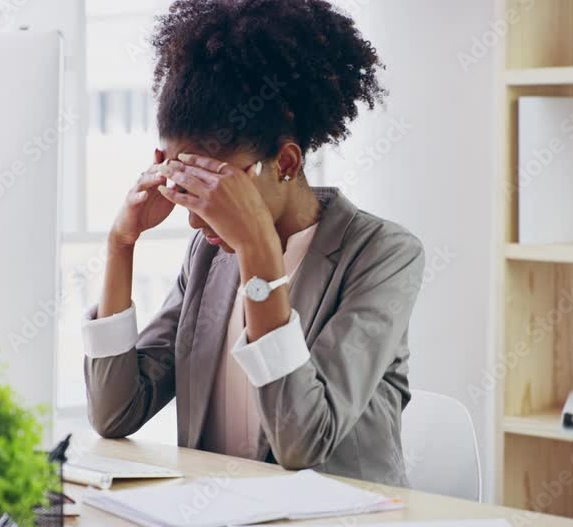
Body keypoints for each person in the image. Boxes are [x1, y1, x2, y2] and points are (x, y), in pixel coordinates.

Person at [83, 0, 424, 486]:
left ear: (285, 163)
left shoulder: (382, 254)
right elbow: (116, 413)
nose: (199, 216)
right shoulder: (208, 255)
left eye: (217, 185)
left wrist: (260, 253)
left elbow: (304, 441)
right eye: (185, 183)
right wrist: (121, 243)